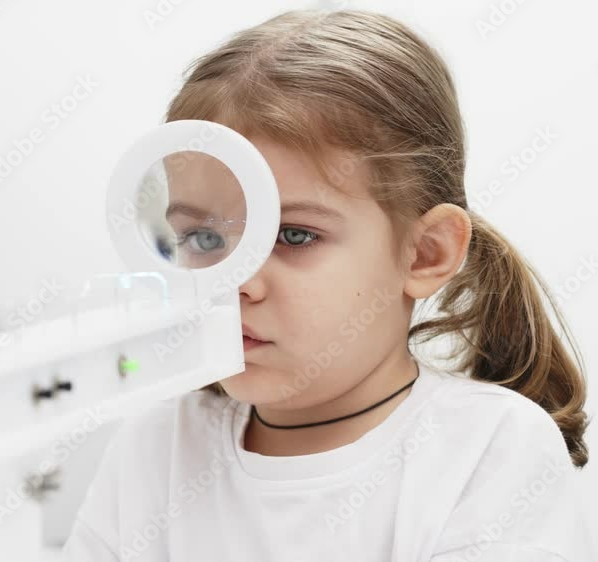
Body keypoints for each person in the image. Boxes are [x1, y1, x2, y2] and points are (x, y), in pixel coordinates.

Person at [62, 9, 592, 561]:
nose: (237, 282)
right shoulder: (157, 447)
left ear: (425, 253)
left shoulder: (491, 448)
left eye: (293, 234)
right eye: (202, 239)